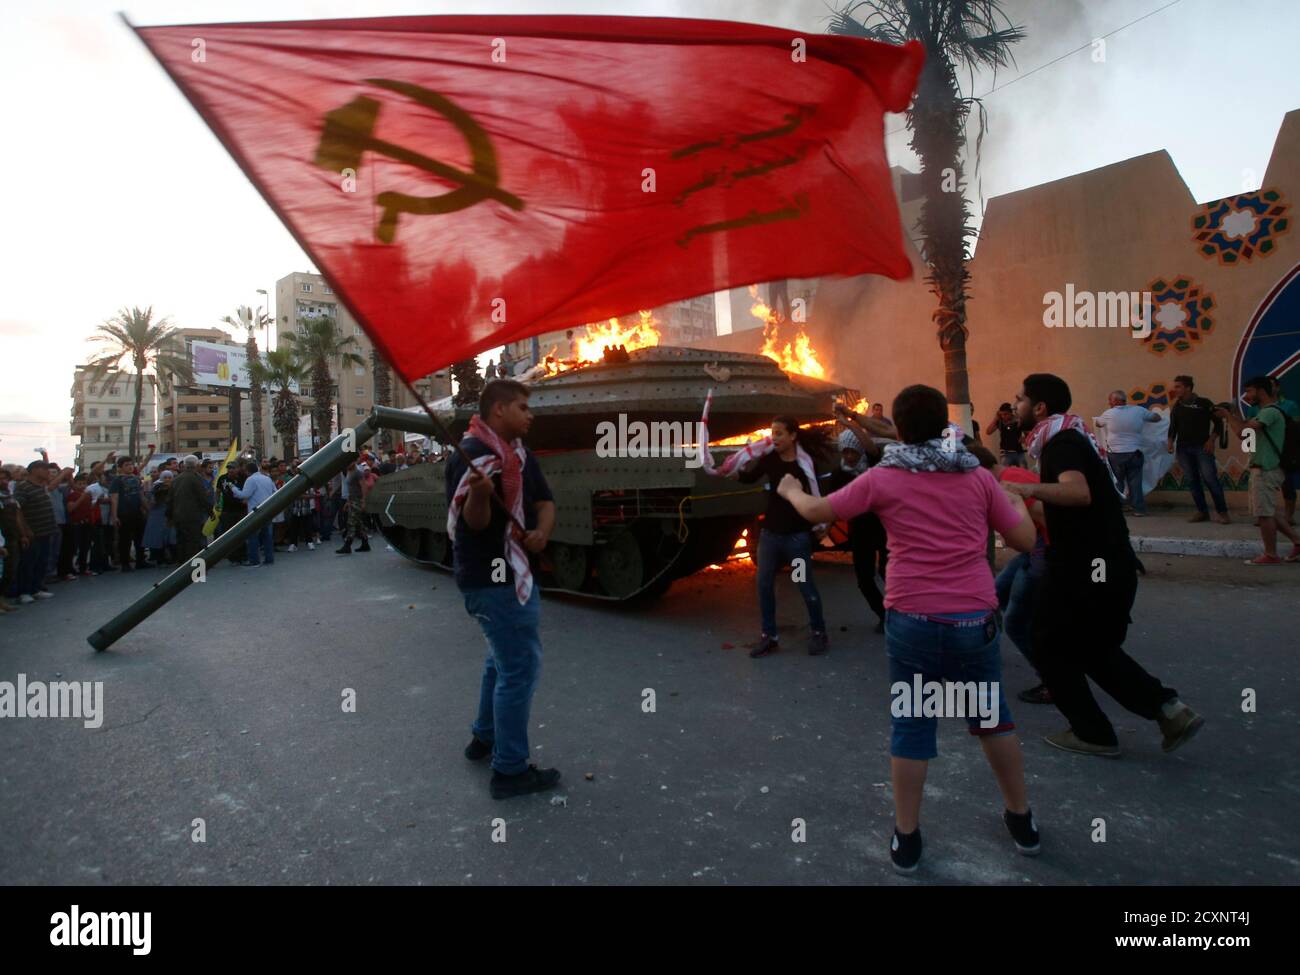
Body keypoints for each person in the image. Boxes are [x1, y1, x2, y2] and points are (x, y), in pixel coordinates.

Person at [779, 384, 1039, 875]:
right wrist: (1016, 501)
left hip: (912, 622)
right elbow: (1024, 540)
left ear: (898, 428)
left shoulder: (885, 477)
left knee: (913, 725)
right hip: (972, 620)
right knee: (991, 719)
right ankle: (1022, 822)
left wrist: (792, 489)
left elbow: (819, 512)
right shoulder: (978, 478)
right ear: (945, 425)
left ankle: (907, 838)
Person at [1010, 373, 1203, 758]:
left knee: (1047, 642)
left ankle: (1093, 733)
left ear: (1040, 407)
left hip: (1084, 566)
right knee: (1091, 648)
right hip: (1107, 563)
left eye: (1020, 400)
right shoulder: (1070, 438)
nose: (1016, 406)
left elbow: (1077, 493)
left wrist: (1024, 489)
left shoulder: (1061, 443)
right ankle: (1169, 710)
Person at [447, 379, 560, 799]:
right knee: (519, 669)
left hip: (514, 567)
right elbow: (475, 524)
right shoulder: (473, 458)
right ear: (498, 411)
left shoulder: (519, 456)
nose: (530, 414)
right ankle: (510, 771)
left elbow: (545, 502)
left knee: (500, 660)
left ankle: (485, 738)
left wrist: (541, 534)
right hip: (493, 575)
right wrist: (480, 495)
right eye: (523, 407)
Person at [727, 415, 832, 657]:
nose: (774, 438)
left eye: (779, 433)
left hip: (797, 537)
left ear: (793, 436)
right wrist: (732, 472)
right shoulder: (769, 459)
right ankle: (769, 636)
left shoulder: (805, 464)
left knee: (805, 586)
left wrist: (822, 522)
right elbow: (749, 477)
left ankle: (818, 632)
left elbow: (817, 493)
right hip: (770, 536)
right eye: (772, 433)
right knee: (764, 586)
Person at [1215, 376, 1300, 565]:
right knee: (1267, 511)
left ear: (1261, 391)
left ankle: (1271, 554)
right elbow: (1247, 441)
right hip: (1260, 467)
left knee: (1264, 514)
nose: (1247, 395)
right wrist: (1234, 416)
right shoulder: (1261, 413)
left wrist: (1229, 417)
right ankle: (1297, 541)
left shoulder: (1270, 412)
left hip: (1267, 469)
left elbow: (1244, 432)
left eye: (1250, 391)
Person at [828, 405, 888, 633]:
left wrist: (850, 423)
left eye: (853, 451)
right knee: (864, 580)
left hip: (883, 529)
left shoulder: (872, 466)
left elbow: (871, 448)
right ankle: (883, 615)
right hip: (860, 533)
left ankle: (899, 614)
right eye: (845, 452)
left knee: (888, 574)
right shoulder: (839, 474)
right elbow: (832, 502)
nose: (849, 456)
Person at [1167, 375, 1229, 524]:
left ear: (1188, 388)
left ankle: (1223, 512)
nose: (1175, 389)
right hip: (1183, 448)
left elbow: (1218, 423)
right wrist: (1170, 442)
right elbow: (1173, 426)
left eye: (1178, 387)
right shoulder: (1177, 405)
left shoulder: (1204, 403)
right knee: (1192, 481)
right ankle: (1202, 512)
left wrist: (1211, 440)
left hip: (1202, 447)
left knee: (1210, 479)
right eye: (1175, 387)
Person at [1095, 390, 1161, 517]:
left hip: (1115, 454)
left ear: (1116, 401)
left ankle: (1118, 507)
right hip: (1134, 453)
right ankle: (1139, 509)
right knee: (1135, 482)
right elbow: (1156, 418)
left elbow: (1098, 424)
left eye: (1110, 400)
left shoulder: (1109, 413)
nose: (1109, 403)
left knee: (1117, 482)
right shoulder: (1138, 411)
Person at [13, 460, 58, 603]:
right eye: (45, 469)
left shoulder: (41, 487)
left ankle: (36, 588)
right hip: (33, 532)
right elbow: (18, 510)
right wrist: (25, 530)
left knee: (41, 561)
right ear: (35, 470)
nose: (47, 472)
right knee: (28, 562)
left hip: (46, 531)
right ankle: (24, 592)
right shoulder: (23, 487)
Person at [227, 459, 277, 566]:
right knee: (267, 536)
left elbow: (244, 495)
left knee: (252, 536)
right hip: (267, 510)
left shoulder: (251, 479)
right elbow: (275, 492)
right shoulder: (267, 478)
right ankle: (269, 558)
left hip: (255, 512)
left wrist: (233, 488)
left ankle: (254, 560)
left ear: (247, 471)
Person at [170, 455, 213, 565]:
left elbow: (170, 499)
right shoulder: (196, 478)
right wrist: (210, 512)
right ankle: (194, 569)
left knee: (181, 541)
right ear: (197, 465)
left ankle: (181, 565)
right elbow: (202, 497)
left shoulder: (176, 479)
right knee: (193, 542)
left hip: (178, 515)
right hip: (193, 515)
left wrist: (169, 516)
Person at [109, 457, 151, 570]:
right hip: (124, 513)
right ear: (120, 467)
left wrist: (148, 510)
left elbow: (141, 496)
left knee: (140, 538)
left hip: (137, 512)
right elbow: (114, 498)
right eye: (127, 465)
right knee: (125, 540)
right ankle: (125, 563)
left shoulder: (137, 479)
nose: (130, 466)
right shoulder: (117, 480)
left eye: (131, 464)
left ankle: (140, 561)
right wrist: (114, 516)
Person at [335, 460, 372, 554]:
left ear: (354, 462)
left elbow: (364, 487)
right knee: (359, 524)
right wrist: (348, 502)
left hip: (357, 501)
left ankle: (347, 545)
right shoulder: (349, 472)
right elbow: (350, 489)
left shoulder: (358, 473)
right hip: (352, 500)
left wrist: (364, 501)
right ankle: (365, 544)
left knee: (351, 523)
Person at [142, 470, 176, 565]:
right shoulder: (156, 487)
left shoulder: (175, 487)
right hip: (158, 515)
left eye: (169, 477)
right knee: (158, 537)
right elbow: (151, 499)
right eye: (165, 477)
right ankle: (160, 558)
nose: (167, 480)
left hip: (170, 514)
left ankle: (172, 557)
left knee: (171, 537)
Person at [984, 403, 1025, 468]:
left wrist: (1025, 438)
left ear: (1011, 413)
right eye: (1001, 414)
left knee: (1024, 473)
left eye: (1005, 414)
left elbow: (1028, 432)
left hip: (1019, 452)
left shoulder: (1018, 421)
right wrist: (996, 418)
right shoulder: (1000, 422)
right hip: (1005, 454)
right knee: (1004, 473)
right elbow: (988, 431)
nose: (1003, 416)